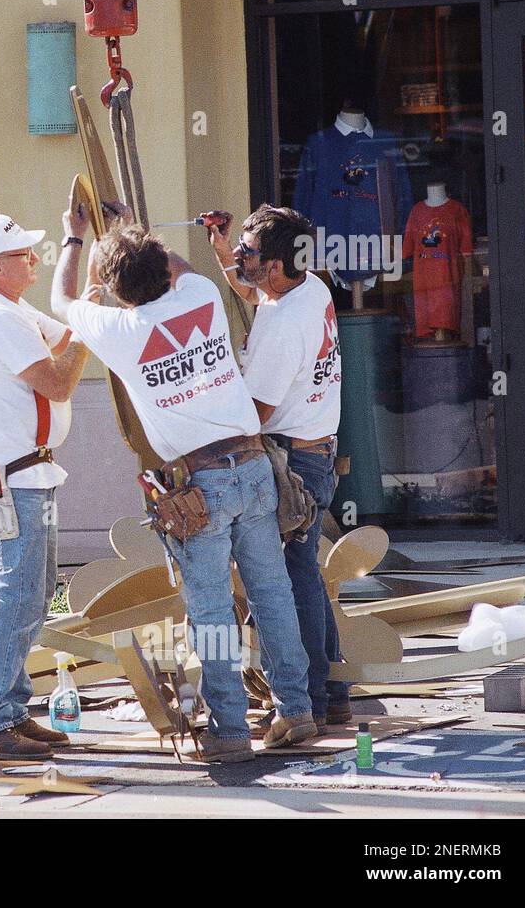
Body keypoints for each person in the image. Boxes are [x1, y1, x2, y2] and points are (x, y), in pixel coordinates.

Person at [50, 203, 316, 763]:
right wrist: (139, 234)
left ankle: (229, 731)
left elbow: (61, 302)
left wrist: (75, 239)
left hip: (202, 486)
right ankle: (296, 707)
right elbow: (182, 268)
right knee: (273, 594)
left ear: (118, 291)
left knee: (213, 612)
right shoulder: (202, 298)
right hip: (253, 469)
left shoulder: (120, 329)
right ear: (163, 270)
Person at [0, 204, 94, 761]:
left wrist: (75, 247)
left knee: (29, 595)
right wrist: (89, 321)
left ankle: (7, 710)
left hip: (21, 473)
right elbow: (59, 381)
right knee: (17, 595)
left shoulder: (5, 309)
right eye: (21, 255)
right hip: (16, 477)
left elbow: (66, 332)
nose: (31, 260)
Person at [207, 204, 352, 730]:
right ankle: (331, 687)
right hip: (314, 449)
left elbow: (254, 416)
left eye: (247, 252)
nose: (239, 257)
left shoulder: (282, 328)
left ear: (272, 265)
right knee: (305, 572)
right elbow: (252, 293)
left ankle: (309, 694)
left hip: (290, 459)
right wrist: (223, 248)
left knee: (288, 580)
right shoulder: (306, 287)